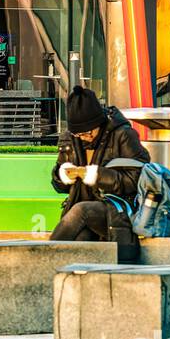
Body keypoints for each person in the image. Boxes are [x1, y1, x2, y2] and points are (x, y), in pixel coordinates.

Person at [50, 86, 151, 261]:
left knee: (81, 210)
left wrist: (96, 176)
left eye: (88, 132)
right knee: (78, 250)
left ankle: (40, 256)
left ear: (99, 122)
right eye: (78, 134)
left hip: (117, 212)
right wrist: (63, 176)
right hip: (85, 217)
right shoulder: (70, 139)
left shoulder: (123, 135)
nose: (84, 137)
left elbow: (138, 179)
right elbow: (58, 185)